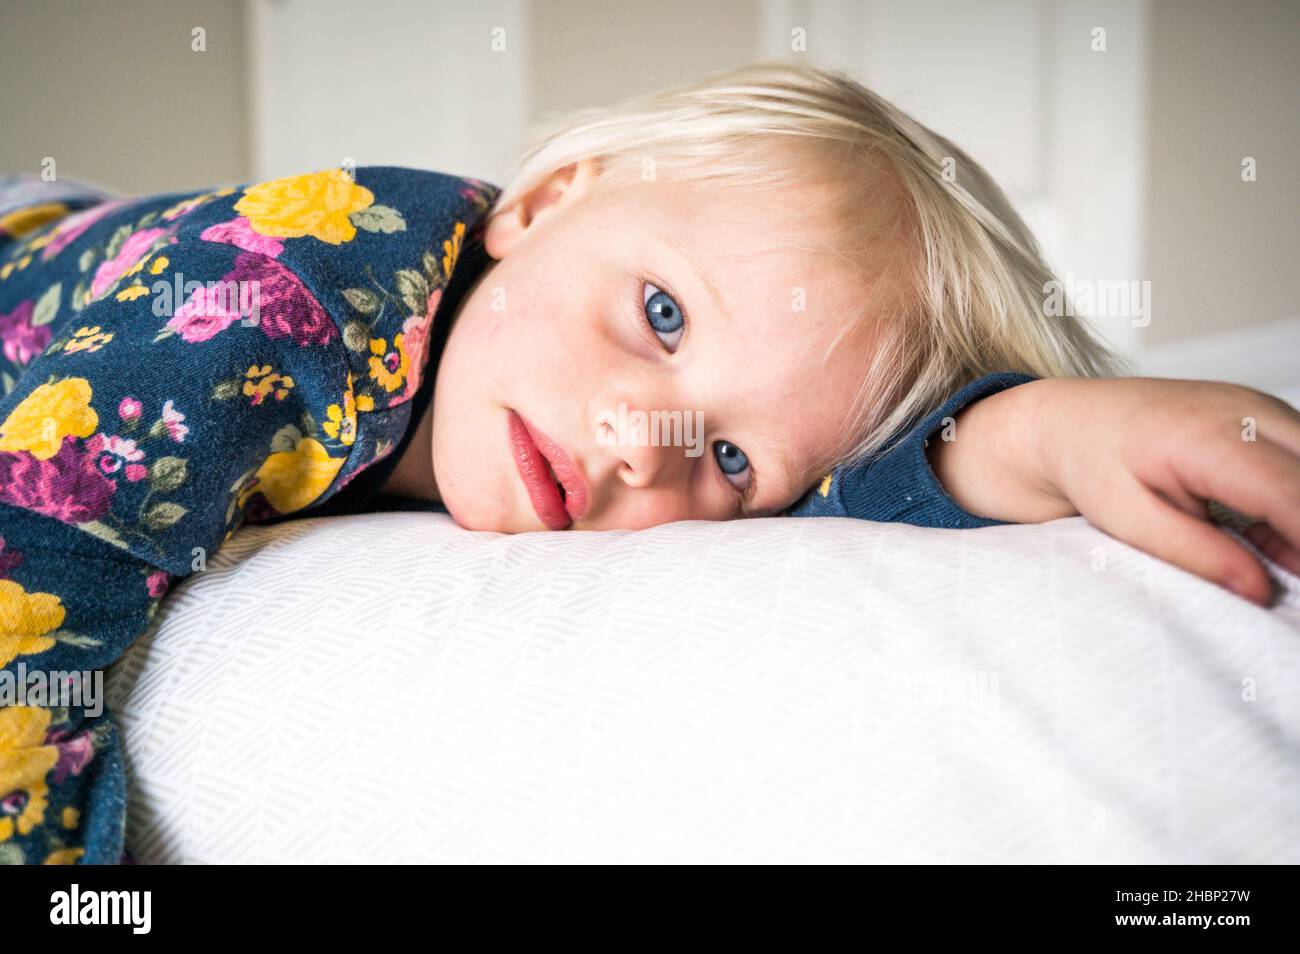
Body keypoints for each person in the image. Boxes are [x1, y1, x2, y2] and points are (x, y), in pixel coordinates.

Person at [1, 61, 1296, 865]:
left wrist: (1045, 431)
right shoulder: (275, 309)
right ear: (550, 199)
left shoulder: (611, 398)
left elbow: (856, 481)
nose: (638, 442)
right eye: (661, 315)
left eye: (728, 453)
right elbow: (34, 563)